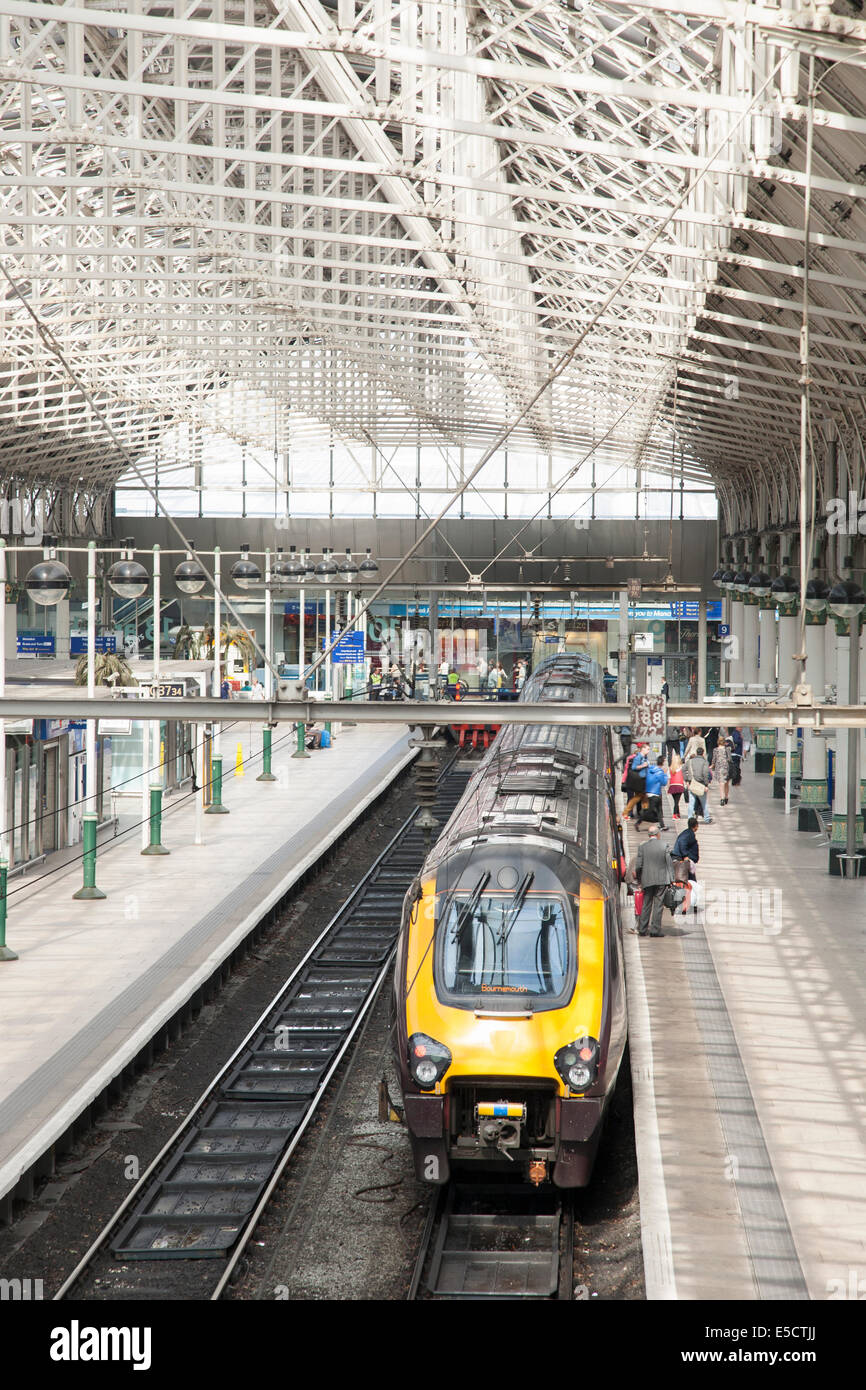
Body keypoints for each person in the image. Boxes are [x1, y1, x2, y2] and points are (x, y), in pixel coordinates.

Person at [631, 826, 674, 937]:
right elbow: (669, 864)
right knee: (658, 905)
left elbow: (639, 866)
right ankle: (655, 930)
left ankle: (642, 929)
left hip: (647, 879)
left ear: (649, 835)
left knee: (646, 903)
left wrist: (640, 880)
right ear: (658, 834)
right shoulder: (664, 845)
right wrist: (672, 879)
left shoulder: (643, 847)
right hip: (662, 880)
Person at [671, 815, 700, 913]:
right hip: (683, 862)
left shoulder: (686, 833)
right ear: (695, 826)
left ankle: (686, 903)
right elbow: (682, 843)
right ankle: (691, 904)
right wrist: (686, 856)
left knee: (685, 882)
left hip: (681, 860)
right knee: (691, 882)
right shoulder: (689, 834)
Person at [684, 740, 712, 822]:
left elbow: (683, 769)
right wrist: (706, 785)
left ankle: (689, 817)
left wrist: (686, 780)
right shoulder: (705, 762)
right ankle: (706, 818)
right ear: (703, 753)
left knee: (691, 803)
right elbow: (706, 773)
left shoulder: (690, 761)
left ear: (696, 753)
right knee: (704, 803)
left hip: (692, 783)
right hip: (701, 784)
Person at [641, 755, 670, 831]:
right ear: (663, 763)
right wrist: (665, 774)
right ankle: (638, 822)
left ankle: (662, 825)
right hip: (656, 793)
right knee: (655, 810)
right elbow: (664, 783)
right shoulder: (660, 772)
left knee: (658, 809)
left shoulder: (651, 769)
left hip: (648, 792)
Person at [623, 743, 650, 820]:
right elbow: (634, 767)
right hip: (639, 780)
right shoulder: (638, 757)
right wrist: (643, 766)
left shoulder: (644, 757)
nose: (649, 751)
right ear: (643, 749)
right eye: (647, 749)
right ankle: (627, 812)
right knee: (638, 798)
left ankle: (645, 813)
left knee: (643, 798)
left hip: (642, 780)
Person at [712, 738, 733, 805]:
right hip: (726, 767)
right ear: (724, 742)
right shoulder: (727, 749)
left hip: (719, 767)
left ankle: (722, 798)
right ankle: (726, 797)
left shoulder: (715, 750)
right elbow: (730, 759)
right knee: (726, 783)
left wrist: (712, 765)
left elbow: (714, 759)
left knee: (721, 783)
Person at [668, 750, 685, 819]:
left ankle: (678, 813)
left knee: (675, 801)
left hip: (672, 786)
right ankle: (674, 814)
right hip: (679, 785)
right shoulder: (681, 768)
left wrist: (668, 786)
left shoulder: (671, 769)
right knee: (676, 801)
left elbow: (669, 778)